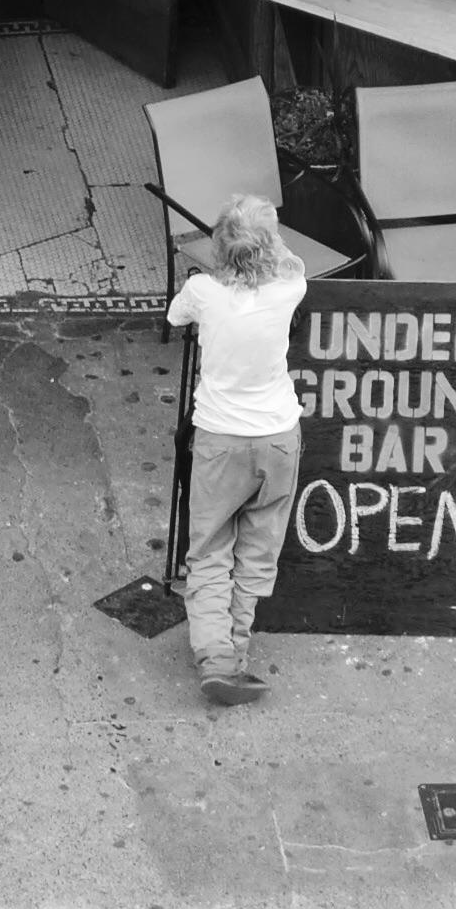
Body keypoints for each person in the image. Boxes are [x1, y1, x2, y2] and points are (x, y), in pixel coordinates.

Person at [166, 195, 311, 707]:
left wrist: (220, 265)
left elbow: (174, 316)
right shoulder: (291, 287)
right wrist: (268, 247)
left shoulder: (202, 291)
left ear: (219, 249)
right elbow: (291, 262)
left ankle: (216, 659)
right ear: (271, 244)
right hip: (277, 438)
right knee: (257, 548)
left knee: (207, 549)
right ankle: (237, 648)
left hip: (219, 441)